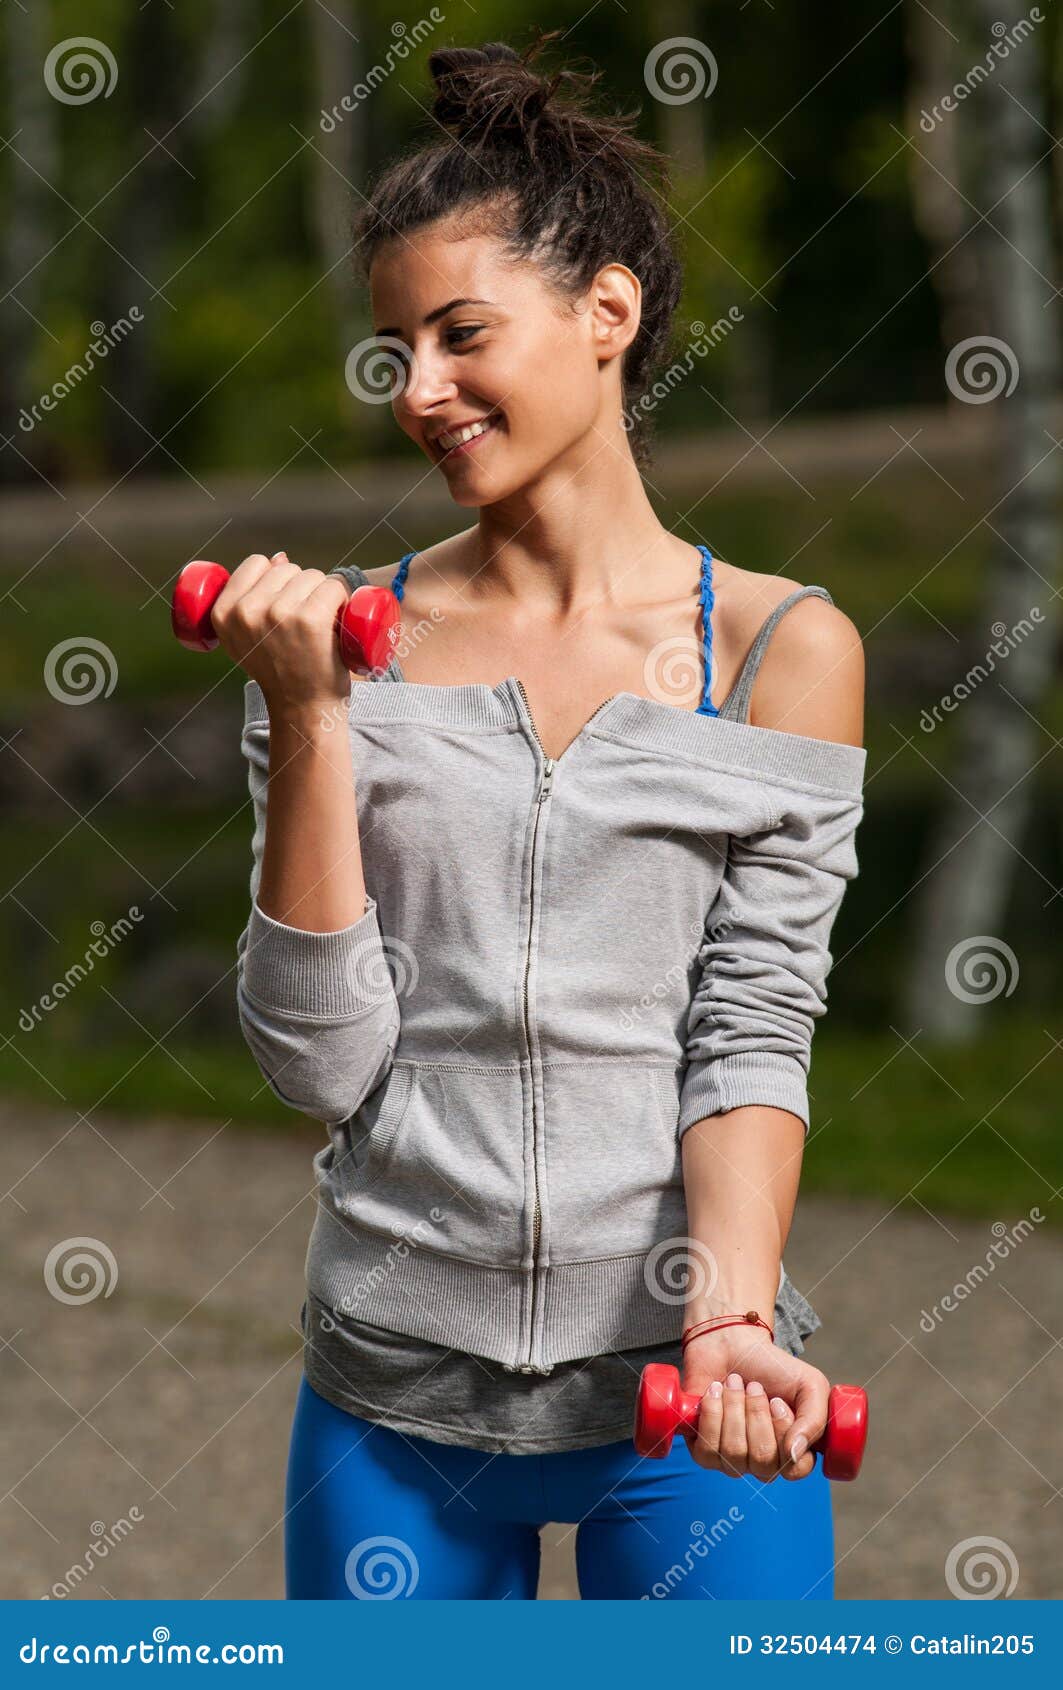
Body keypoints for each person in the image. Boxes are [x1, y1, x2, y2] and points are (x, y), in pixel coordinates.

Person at [217, 34, 867, 1601]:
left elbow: (751, 1028)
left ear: (607, 314)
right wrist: (310, 716)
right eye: (395, 349)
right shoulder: (339, 647)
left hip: (682, 1394)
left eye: (461, 335)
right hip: (393, 1395)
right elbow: (319, 1063)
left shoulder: (779, 650)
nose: (418, 390)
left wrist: (729, 1315)